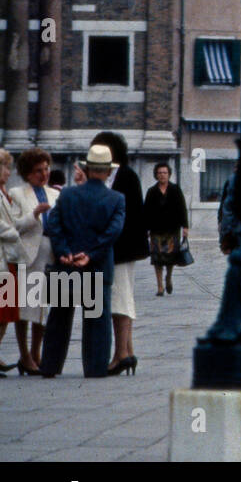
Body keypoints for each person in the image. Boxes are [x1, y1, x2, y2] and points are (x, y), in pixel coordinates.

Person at [39, 144, 123, 378]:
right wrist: (91, 254)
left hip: (65, 263)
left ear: (86, 169)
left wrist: (64, 251)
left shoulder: (66, 194)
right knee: (97, 320)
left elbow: (53, 224)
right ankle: (95, 368)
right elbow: (113, 231)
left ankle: (50, 366)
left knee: (58, 318)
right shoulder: (116, 199)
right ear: (108, 172)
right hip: (96, 266)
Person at [92, 132, 146, 377]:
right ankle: (128, 351)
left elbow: (129, 215)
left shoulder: (126, 176)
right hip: (116, 247)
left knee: (120, 299)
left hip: (122, 248)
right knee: (122, 298)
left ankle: (121, 354)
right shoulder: (111, 177)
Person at [7, 148, 58, 373]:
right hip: (28, 255)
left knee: (42, 308)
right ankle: (24, 355)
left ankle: (37, 353)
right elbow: (14, 225)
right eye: (38, 171)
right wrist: (34, 214)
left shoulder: (56, 194)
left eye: (46, 169)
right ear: (28, 173)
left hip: (50, 252)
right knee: (26, 307)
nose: (44, 174)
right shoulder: (17, 194)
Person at [143, 163, 189, 298]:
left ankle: (168, 277)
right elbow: (146, 211)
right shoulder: (151, 191)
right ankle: (160, 286)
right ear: (156, 175)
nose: (162, 175)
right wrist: (145, 228)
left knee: (170, 257)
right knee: (157, 258)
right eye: (160, 173)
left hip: (172, 229)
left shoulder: (175, 189)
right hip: (156, 230)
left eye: (165, 172)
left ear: (169, 174)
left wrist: (185, 227)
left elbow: (182, 208)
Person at [0, 151, 23, 366]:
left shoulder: (2, 193)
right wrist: (13, 232)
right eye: (6, 168)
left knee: (6, 310)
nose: (9, 173)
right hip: (1, 259)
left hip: (7, 259)